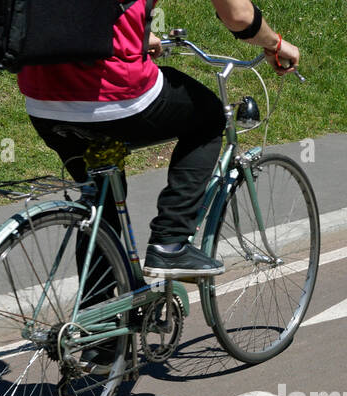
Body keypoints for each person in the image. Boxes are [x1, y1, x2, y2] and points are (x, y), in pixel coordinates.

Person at [18, 0, 300, 280]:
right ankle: (170, 243)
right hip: (116, 95)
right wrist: (276, 44)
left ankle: (97, 314)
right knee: (209, 118)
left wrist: (135, 31)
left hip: (42, 100)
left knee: (101, 201)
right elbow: (239, 15)